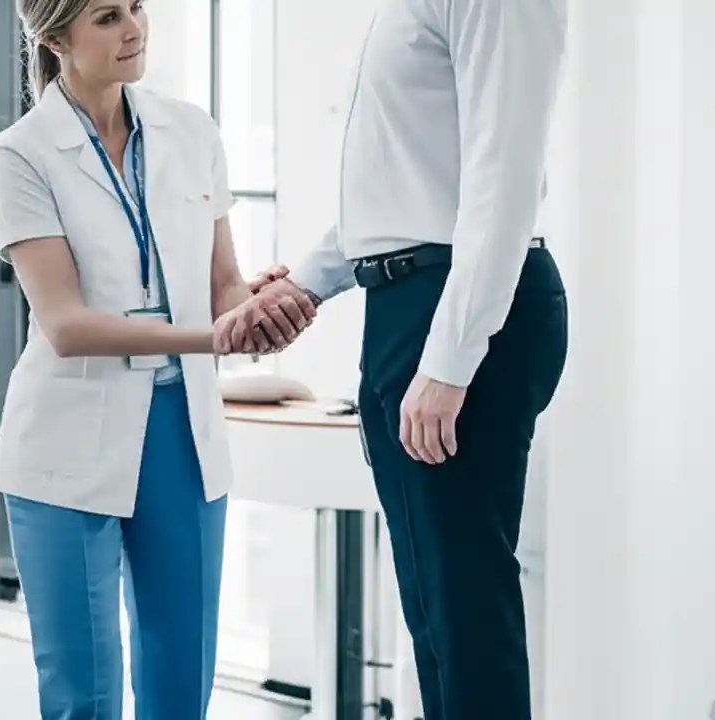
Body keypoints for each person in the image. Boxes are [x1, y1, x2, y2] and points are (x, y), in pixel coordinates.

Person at [215, 0, 569, 717]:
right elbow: (395, 191)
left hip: (461, 309)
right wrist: (303, 287)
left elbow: (503, 180)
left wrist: (449, 362)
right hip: (407, 302)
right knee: (434, 610)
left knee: (465, 603)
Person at [0, 1, 315, 718]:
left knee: (180, 680)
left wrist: (253, 314)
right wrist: (212, 336)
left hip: (182, 432)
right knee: (86, 692)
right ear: (54, 35)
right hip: (64, 442)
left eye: (137, 7)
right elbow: (66, 325)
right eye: (107, 17)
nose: (134, 28)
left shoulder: (191, 132)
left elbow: (221, 283)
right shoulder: (22, 153)